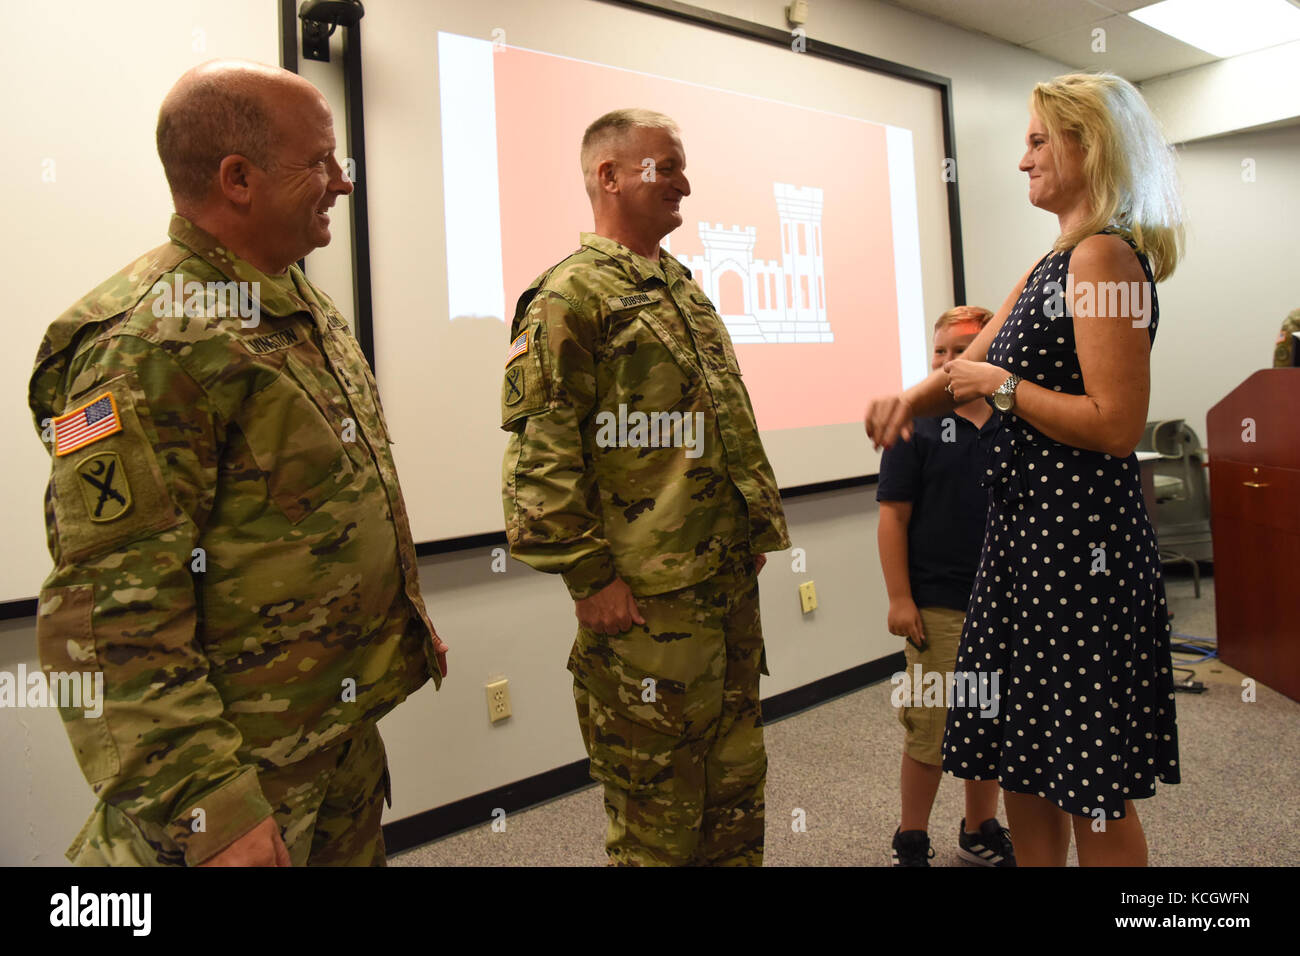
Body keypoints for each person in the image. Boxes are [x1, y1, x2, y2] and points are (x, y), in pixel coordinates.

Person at [28, 60, 448, 867]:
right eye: (320, 162)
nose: (341, 183)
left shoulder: (291, 301)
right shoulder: (145, 343)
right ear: (238, 178)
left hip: (332, 742)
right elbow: (110, 620)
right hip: (240, 781)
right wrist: (208, 808)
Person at [865, 72, 1182, 867]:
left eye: (1039, 140)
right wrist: (906, 401)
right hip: (1021, 555)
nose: (1023, 160)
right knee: (1025, 767)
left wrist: (1001, 390)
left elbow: (1115, 426)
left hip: (1080, 559)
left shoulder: (1106, 257)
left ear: (1090, 145)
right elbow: (962, 368)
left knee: (1092, 787)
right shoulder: (1054, 260)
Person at [500, 108, 790, 866]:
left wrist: (750, 533)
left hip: (722, 593)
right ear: (609, 176)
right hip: (643, 606)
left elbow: (719, 430)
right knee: (658, 816)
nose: (685, 182)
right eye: (667, 166)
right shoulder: (571, 296)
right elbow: (543, 458)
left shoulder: (684, 291)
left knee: (734, 796)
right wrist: (590, 580)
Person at [877, 306, 1016, 867]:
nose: (950, 360)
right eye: (940, 351)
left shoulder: (1015, 418)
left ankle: (979, 827)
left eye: (963, 348)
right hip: (938, 606)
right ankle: (912, 837)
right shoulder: (916, 425)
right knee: (931, 729)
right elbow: (893, 517)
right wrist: (899, 598)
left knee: (991, 725)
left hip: (1005, 605)